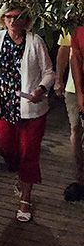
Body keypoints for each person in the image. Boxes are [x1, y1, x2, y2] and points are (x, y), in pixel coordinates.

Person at [0, 4, 55, 222]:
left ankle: (26, 199)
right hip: (2, 107)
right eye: (8, 17)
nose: (12, 22)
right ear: (2, 19)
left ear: (26, 20)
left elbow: (49, 72)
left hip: (30, 110)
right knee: (6, 148)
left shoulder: (35, 42)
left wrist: (41, 89)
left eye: (17, 18)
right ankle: (21, 176)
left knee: (29, 153)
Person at [55, 33, 84, 200]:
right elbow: (65, 48)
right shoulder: (74, 18)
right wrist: (59, 78)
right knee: (76, 131)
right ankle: (80, 178)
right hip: (75, 87)